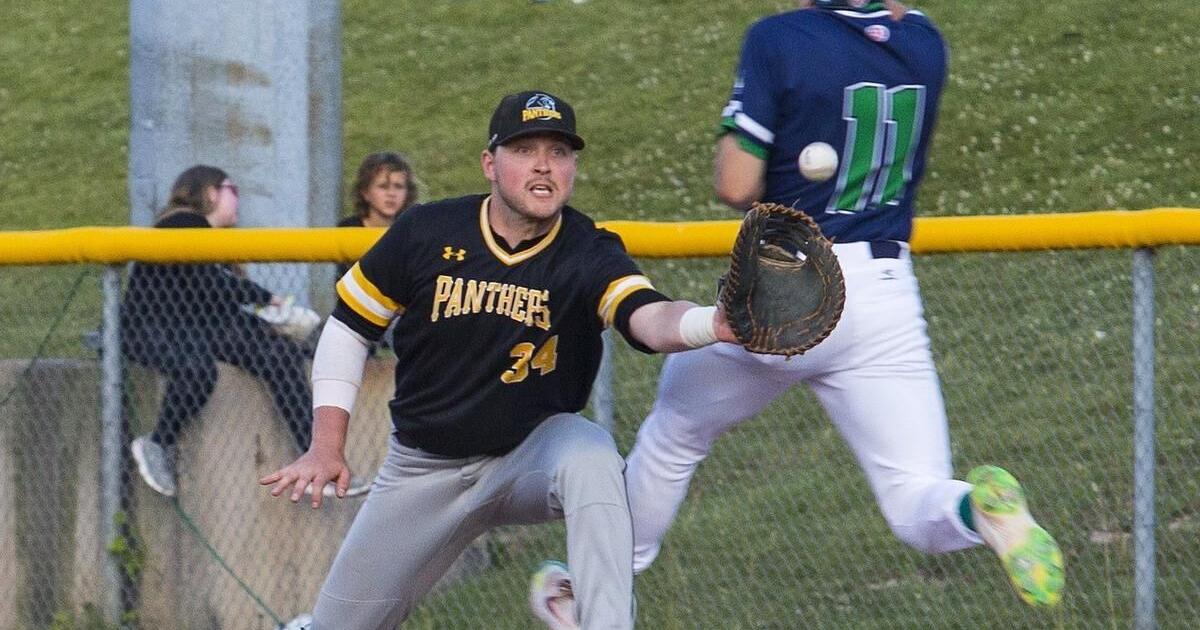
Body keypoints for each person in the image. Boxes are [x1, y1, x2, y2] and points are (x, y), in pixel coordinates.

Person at [622, 0, 1065, 611]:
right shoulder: (926, 44)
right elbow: (889, 23)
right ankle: (979, 513)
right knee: (916, 497)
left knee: (675, 431)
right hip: (884, 292)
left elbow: (735, 182)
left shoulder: (779, 39)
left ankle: (603, 579)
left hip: (790, 285)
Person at [259, 90, 741, 630]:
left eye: (559, 152)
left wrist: (711, 323)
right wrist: (326, 446)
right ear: (490, 164)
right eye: (524, 148)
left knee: (591, 456)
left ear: (573, 167)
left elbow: (647, 317)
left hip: (528, 459)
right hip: (424, 469)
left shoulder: (586, 249)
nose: (543, 164)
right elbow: (348, 328)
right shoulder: (428, 231)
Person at [122, 165, 367, 499]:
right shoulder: (184, 222)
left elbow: (218, 304)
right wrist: (266, 298)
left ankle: (317, 460)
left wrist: (278, 323)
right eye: (232, 190)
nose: (237, 200)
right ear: (210, 192)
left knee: (280, 356)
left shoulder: (218, 241)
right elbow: (211, 288)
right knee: (197, 372)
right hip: (152, 330)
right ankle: (157, 443)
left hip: (195, 329)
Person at [335, 151, 419, 279]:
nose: (392, 193)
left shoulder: (412, 230)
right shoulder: (348, 229)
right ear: (365, 192)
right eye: (383, 187)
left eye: (399, 186)